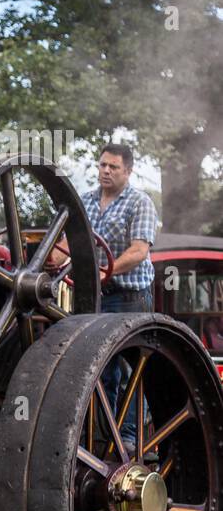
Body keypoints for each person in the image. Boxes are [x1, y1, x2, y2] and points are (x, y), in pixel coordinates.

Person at [83, 143, 158, 452]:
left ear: (128, 171)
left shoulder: (139, 203)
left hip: (131, 297)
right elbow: (66, 242)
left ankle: (127, 435)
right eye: (102, 165)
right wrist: (47, 259)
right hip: (100, 298)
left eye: (113, 167)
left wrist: (105, 271)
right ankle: (105, 434)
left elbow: (139, 251)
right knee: (106, 370)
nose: (106, 171)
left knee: (134, 369)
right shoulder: (86, 201)